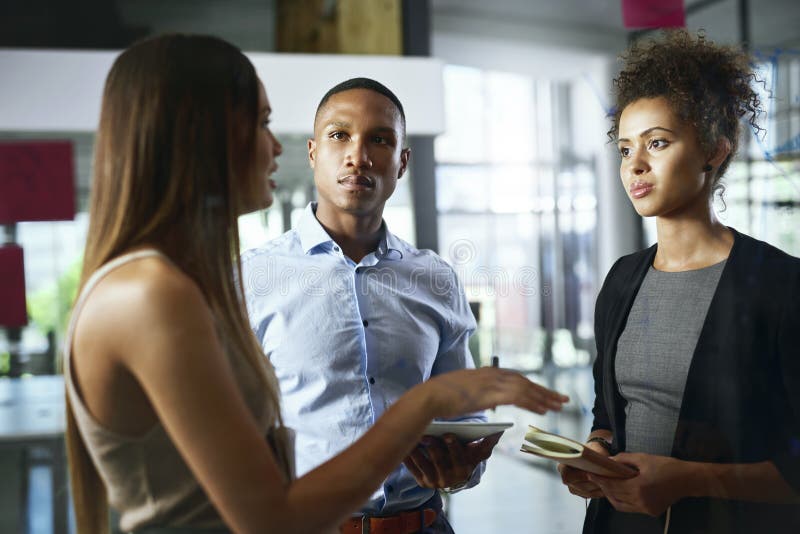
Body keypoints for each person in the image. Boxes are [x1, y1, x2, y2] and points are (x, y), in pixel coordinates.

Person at [64, 34, 569, 534]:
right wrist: (426, 403)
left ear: (402, 161)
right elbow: (270, 517)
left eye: (379, 139)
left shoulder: (165, 283)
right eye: (261, 122)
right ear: (201, 135)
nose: (274, 144)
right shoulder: (154, 292)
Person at [558, 30, 800, 533]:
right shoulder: (624, 278)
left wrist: (689, 479)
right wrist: (595, 452)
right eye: (625, 149)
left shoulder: (781, 287)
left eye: (658, 143)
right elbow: (609, 412)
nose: (635, 166)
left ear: (714, 149)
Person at [241, 77, 501, 533]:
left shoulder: (435, 278)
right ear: (312, 152)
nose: (357, 156)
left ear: (402, 162)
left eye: (378, 140)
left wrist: (463, 467)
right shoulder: (251, 278)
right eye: (339, 135)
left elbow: (466, 412)